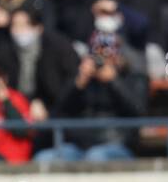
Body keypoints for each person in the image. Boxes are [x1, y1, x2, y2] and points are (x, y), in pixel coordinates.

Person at [35, 10, 149, 162]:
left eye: (108, 53)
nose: (102, 59)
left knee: (96, 157)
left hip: (116, 144)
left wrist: (113, 82)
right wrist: (77, 84)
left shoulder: (133, 76)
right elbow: (59, 111)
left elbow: (137, 111)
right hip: (79, 145)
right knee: (43, 159)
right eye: (97, 53)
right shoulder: (83, 78)